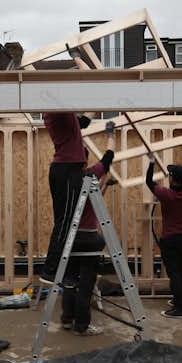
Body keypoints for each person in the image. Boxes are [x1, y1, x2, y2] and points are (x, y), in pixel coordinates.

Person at [60, 122, 115, 336]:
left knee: (70, 280)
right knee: (86, 282)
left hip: (69, 237)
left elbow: (89, 199)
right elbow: (108, 157)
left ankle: (66, 319)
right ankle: (81, 325)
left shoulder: (63, 180)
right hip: (88, 238)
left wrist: (103, 187)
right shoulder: (90, 174)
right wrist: (111, 134)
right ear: (83, 159)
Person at [145, 133, 182, 318]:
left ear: (171, 179)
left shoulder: (166, 194)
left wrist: (151, 162)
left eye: (169, 175)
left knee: (175, 274)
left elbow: (149, 182)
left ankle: (179, 309)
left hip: (170, 241)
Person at [40, 111, 92, 284]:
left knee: (64, 222)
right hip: (68, 170)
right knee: (66, 222)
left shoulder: (64, 115)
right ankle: (50, 270)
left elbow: (83, 122)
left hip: (66, 168)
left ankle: (60, 269)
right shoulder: (57, 111)